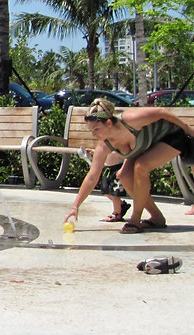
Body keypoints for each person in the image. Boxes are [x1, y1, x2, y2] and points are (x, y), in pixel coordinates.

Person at [64, 97, 194, 234]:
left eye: (96, 129)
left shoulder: (131, 120)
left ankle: (135, 218)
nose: (94, 134)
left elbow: (161, 112)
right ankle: (157, 217)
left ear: (109, 122)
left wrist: (188, 130)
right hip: (148, 146)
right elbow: (92, 177)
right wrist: (75, 206)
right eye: (91, 131)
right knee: (124, 176)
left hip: (172, 136)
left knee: (141, 166)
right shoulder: (104, 145)